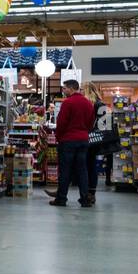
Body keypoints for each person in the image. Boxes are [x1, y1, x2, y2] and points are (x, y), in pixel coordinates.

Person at [49, 78, 95, 207]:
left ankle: (61, 199)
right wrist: (84, 132)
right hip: (83, 140)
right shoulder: (87, 103)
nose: (63, 91)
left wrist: (59, 137)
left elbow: (61, 123)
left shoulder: (68, 103)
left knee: (65, 171)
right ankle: (85, 199)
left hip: (68, 141)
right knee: (82, 170)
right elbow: (91, 122)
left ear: (71, 88)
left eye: (64, 88)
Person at [84, 83, 117, 197]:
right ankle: (90, 192)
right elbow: (106, 125)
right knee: (90, 165)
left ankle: (89, 192)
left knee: (88, 165)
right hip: (94, 139)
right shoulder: (100, 104)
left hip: (89, 138)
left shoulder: (94, 104)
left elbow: (106, 125)